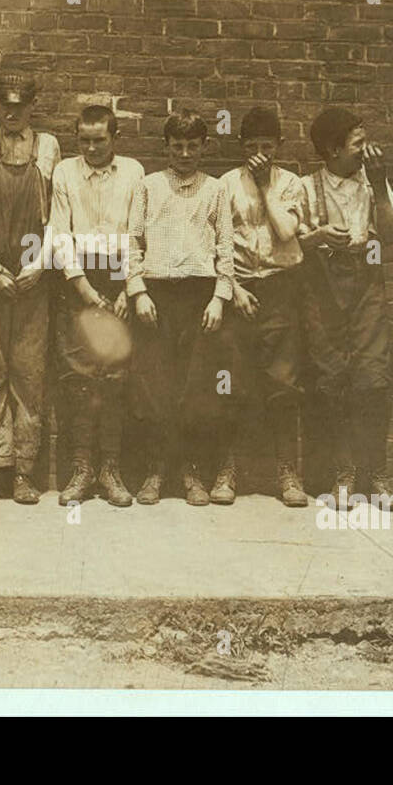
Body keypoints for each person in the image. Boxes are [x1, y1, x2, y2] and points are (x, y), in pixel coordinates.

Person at [124, 109, 235, 506]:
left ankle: (191, 472)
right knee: (154, 386)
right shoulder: (149, 187)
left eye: (192, 146)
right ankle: (155, 470)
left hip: (200, 297)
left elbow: (226, 248)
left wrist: (220, 298)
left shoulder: (216, 189)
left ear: (205, 146)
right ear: (166, 147)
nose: (185, 154)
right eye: (177, 146)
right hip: (156, 296)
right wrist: (137, 291)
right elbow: (132, 241)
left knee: (196, 388)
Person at [0, 72, 62, 505]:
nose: (12, 111)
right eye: (5, 103)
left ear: (33, 104)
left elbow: (59, 212)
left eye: (20, 104)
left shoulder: (49, 147)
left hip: (33, 278)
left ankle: (23, 470)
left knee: (28, 372)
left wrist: (39, 265)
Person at [298, 107, 393, 508]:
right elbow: (292, 244)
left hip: (366, 283)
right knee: (333, 381)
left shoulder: (373, 182)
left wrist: (378, 186)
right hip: (323, 287)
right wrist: (320, 235)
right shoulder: (306, 188)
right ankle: (342, 476)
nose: (366, 150)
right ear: (332, 149)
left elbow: (391, 236)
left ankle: (376, 476)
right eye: (358, 144)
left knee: (375, 378)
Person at [216, 106, 310, 506]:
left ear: (279, 146)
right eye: (252, 146)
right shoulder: (224, 184)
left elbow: (288, 232)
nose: (260, 154)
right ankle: (226, 470)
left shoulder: (290, 183)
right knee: (230, 380)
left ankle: (288, 473)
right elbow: (216, 243)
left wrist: (265, 186)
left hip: (280, 288)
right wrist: (233, 288)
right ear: (241, 146)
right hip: (238, 289)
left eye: (267, 147)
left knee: (283, 383)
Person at [50, 105, 143, 507]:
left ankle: (110, 469)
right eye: (83, 140)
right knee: (79, 375)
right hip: (78, 278)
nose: (90, 148)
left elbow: (138, 232)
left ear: (115, 138)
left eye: (99, 140)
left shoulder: (134, 173)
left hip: (121, 273)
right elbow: (57, 235)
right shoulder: (65, 173)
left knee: (115, 376)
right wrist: (85, 289)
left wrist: (128, 287)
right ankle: (82, 469)